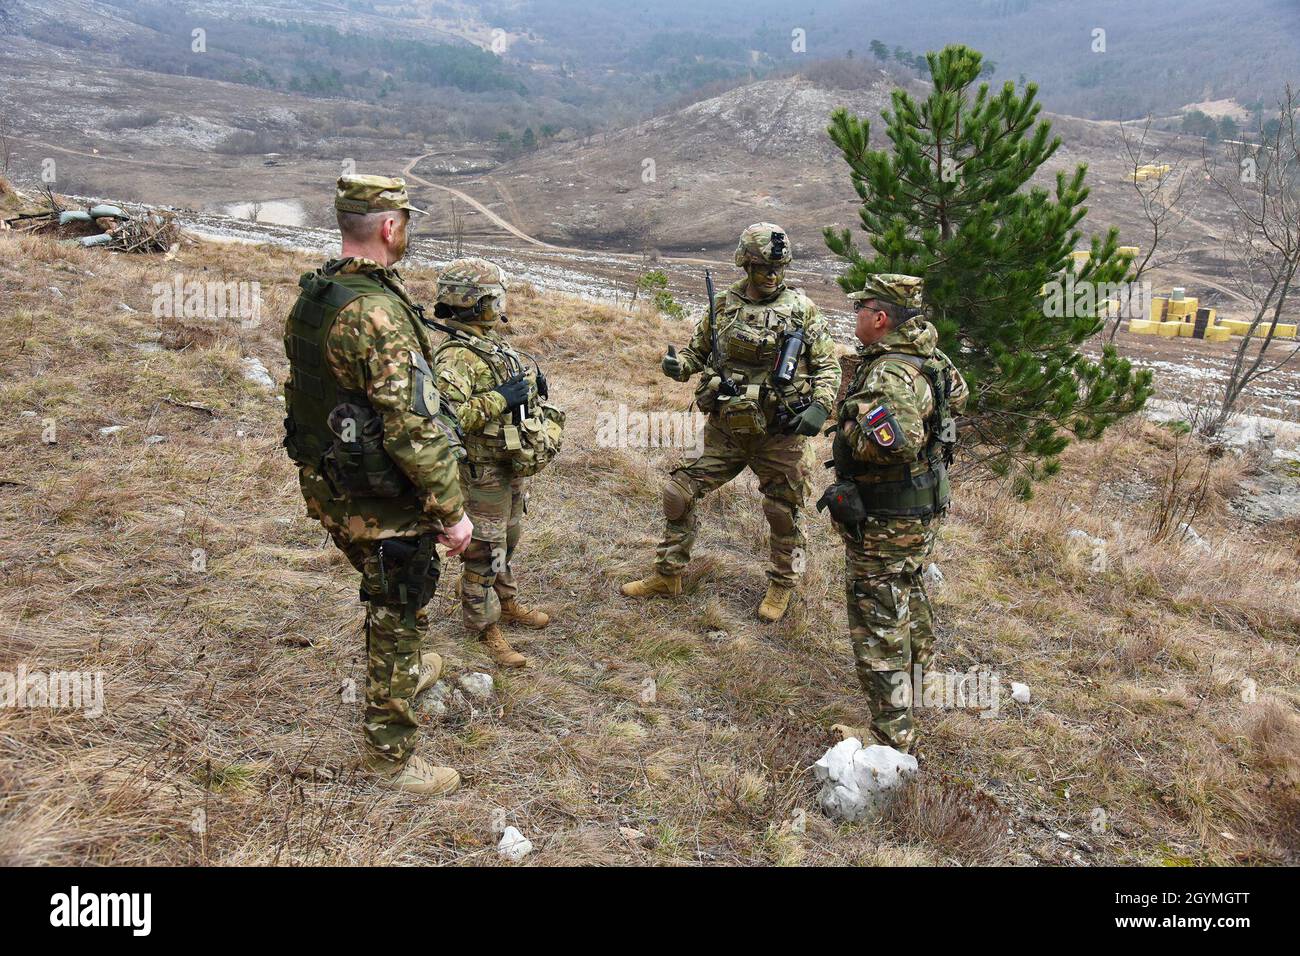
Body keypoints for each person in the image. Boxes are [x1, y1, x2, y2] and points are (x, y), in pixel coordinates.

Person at [282, 174, 473, 795]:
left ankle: (406, 669)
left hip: (330, 484)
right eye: (406, 220)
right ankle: (390, 757)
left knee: (391, 593)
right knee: (397, 604)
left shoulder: (320, 294)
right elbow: (413, 428)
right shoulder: (376, 313)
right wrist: (451, 513)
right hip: (378, 500)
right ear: (391, 227)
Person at [621, 222, 840, 622]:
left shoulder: (802, 309)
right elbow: (697, 351)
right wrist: (678, 365)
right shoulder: (722, 304)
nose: (771, 275)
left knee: (782, 510)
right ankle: (668, 574)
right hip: (726, 427)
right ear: (745, 264)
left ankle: (781, 585)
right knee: (678, 492)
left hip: (780, 432)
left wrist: (821, 407)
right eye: (761, 267)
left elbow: (828, 366)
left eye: (778, 267)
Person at [818, 274, 968, 753]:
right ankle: (919, 681)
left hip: (887, 515)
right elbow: (958, 395)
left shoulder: (889, 373)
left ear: (880, 318)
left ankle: (890, 739)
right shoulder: (930, 357)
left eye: (861, 309)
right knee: (907, 590)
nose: (855, 315)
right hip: (920, 510)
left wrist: (848, 424)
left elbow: (896, 444)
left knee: (876, 618)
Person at [431, 258, 563, 668]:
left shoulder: (487, 343)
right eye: (495, 298)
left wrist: (529, 393)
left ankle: (505, 602)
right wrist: (501, 399)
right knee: (484, 551)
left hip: (507, 466)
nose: (500, 305)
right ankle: (483, 627)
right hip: (480, 472)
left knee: (508, 540)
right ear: (476, 303)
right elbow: (442, 419)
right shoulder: (455, 358)